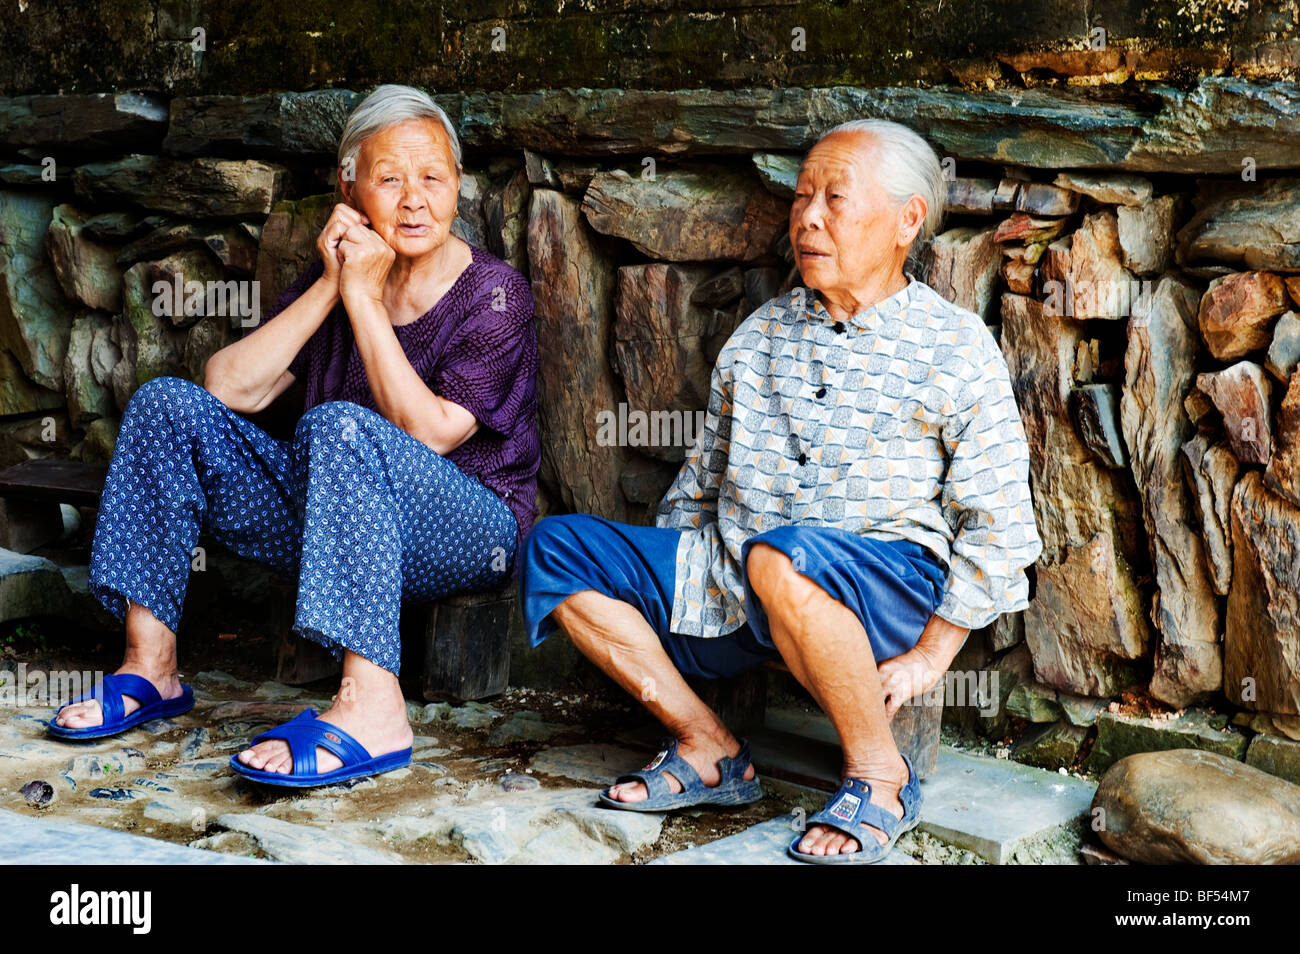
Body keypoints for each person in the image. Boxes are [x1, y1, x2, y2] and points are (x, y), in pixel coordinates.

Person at [518, 118, 1042, 862]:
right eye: (802, 198)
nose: (809, 217)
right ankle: (708, 746)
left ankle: (879, 775)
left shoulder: (955, 347)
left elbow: (998, 523)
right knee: (557, 547)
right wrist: (668, 585)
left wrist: (932, 656)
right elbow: (700, 483)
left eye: (835, 197)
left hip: (880, 587)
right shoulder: (761, 334)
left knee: (782, 560)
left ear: (907, 221)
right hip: (739, 575)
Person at [51, 84, 541, 788]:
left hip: (468, 528)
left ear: (458, 186)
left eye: (433, 178)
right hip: (338, 517)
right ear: (350, 186)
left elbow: (430, 433)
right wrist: (335, 284)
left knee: (338, 426)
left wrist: (365, 302)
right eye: (390, 178)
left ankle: (372, 707)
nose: (413, 200)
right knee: (166, 403)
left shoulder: (495, 295)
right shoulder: (340, 273)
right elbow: (229, 387)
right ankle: (148, 666)